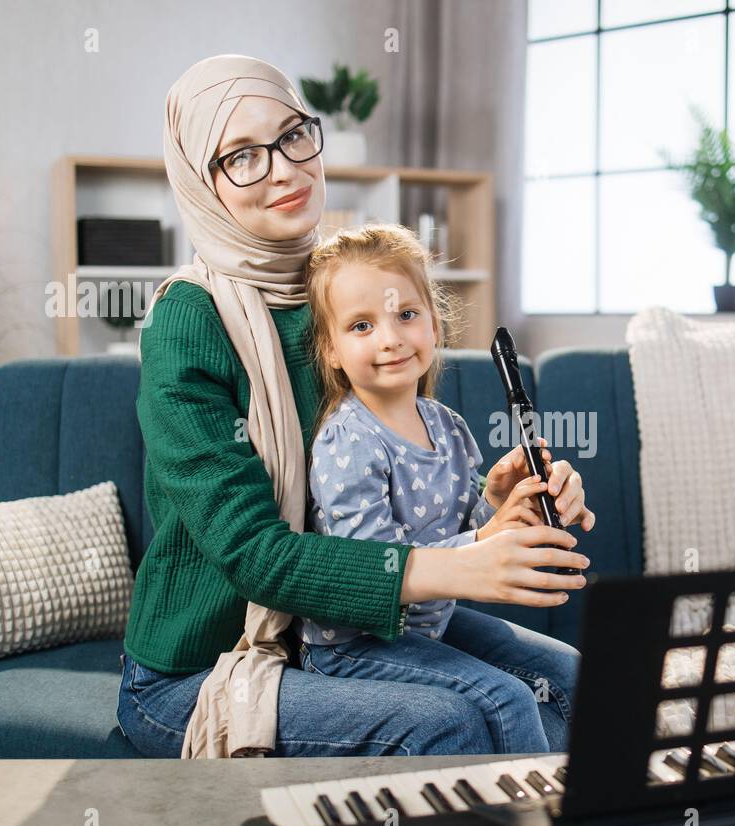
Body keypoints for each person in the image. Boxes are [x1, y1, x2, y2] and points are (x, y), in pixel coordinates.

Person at [116, 54, 588, 760]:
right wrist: (467, 563)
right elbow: (254, 554)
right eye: (242, 155)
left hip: (349, 626)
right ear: (199, 180)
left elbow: (395, 469)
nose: (282, 170)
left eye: (293, 136)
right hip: (211, 663)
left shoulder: (344, 288)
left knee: (577, 683)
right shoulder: (188, 323)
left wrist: (497, 507)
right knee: (451, 724)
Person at [296, 224, 595, 753]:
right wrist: (486, 541)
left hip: (430, 627)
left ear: (434, 326)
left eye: (406, 315)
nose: (390, 338)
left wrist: (501, 504)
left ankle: (604, 807)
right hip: (355, 643)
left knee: (571, 669)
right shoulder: (347, 440)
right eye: (362, 325)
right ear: (331, 350)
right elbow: (378, 568)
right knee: (508, 698)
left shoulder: (447, 425)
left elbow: (463, 529)